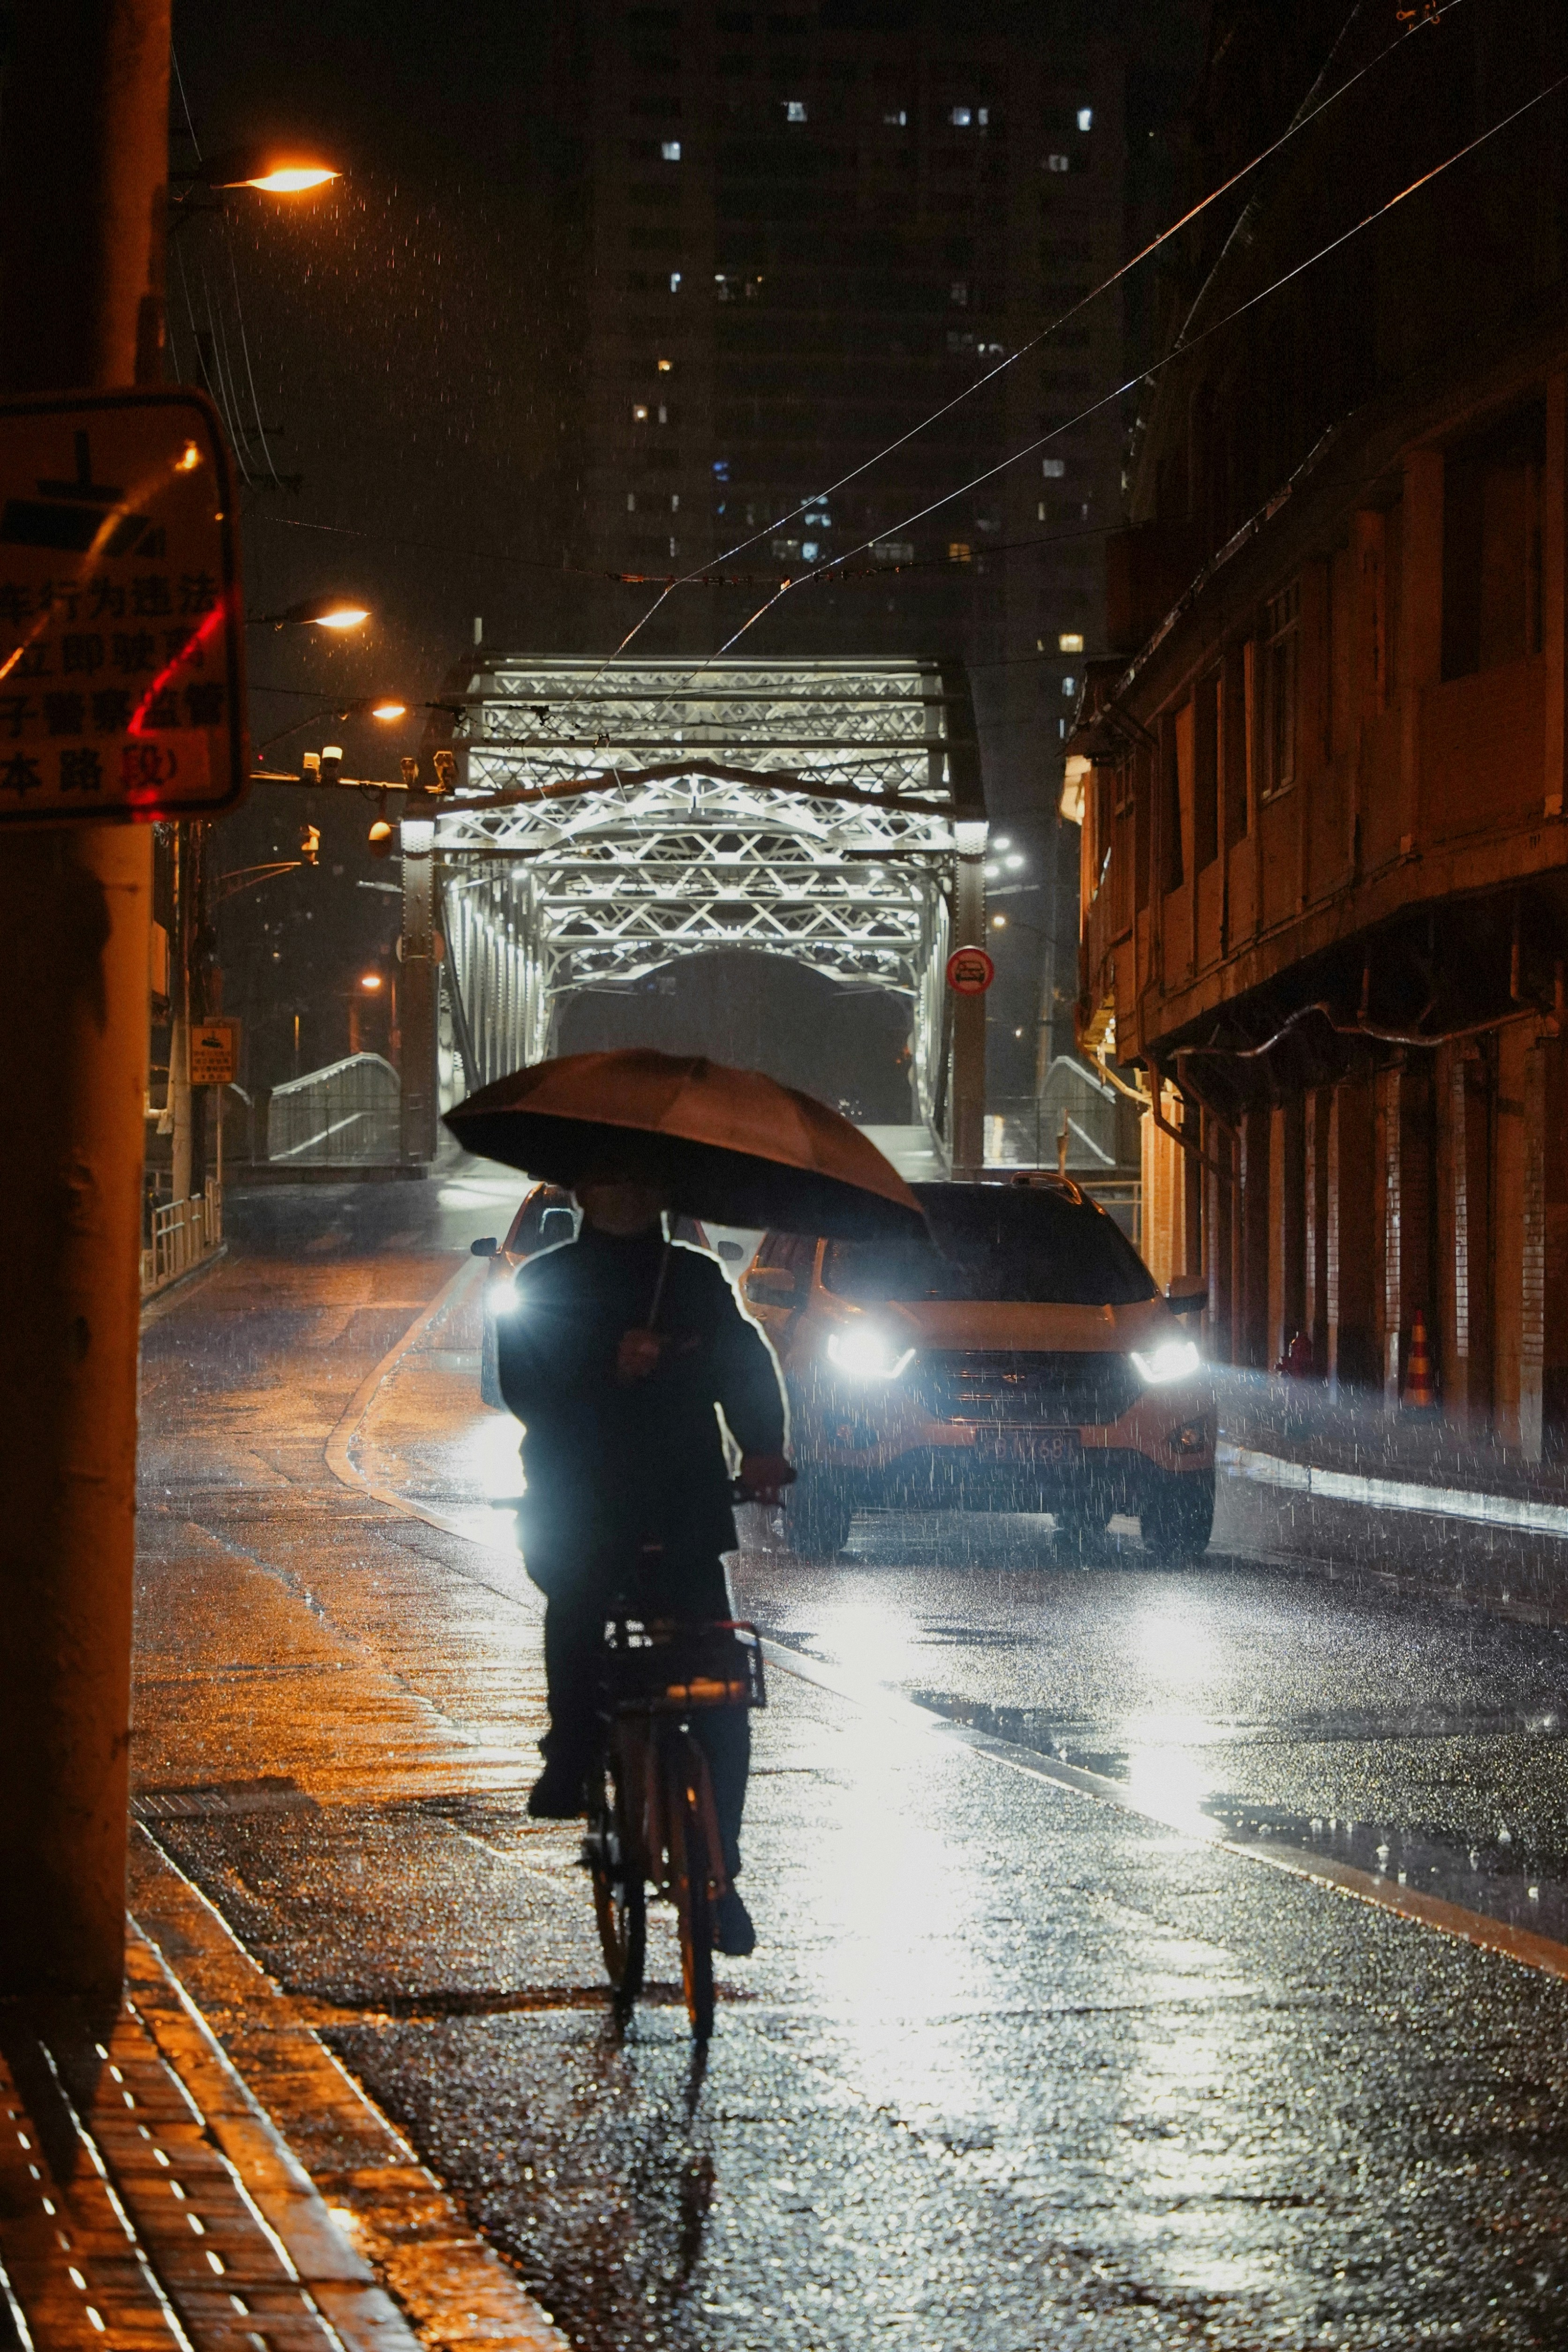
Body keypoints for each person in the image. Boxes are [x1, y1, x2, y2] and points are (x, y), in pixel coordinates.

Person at [495, 1169, 793, 1957]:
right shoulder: (547, 1281)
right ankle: (569, 1752)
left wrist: (763, 1448)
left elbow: (744, 1363)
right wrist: (605, 1370)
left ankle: (720, 1873)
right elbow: (522, 1386)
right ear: (586, 1195)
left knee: (720, 1681)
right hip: (579, 1503)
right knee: (579, 1605)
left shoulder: (693, 1280)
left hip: (683, 1511)